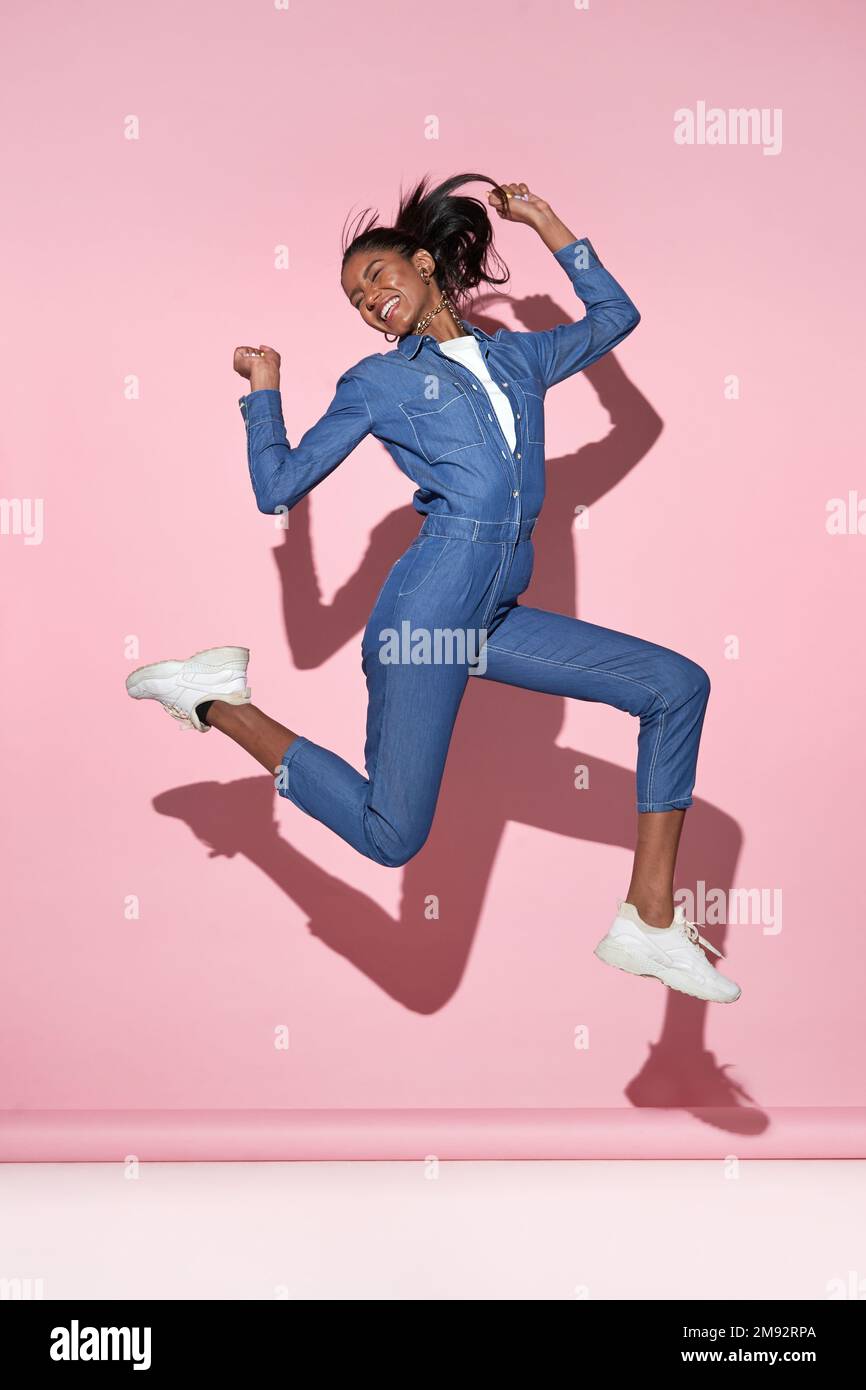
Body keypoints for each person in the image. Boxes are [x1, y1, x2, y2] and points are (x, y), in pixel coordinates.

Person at [126, 172, 741, 1004]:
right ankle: (219, 701)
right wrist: (264, 388)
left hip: (489, 613)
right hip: (426, 613)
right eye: (354, 299)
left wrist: (548, 222)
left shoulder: (519, 356)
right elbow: (278, 486)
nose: (369, 301)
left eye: (378, 278)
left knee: (676, 686)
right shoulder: (378, 384)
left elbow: (615, 319)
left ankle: (649, 918)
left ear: (422, 263)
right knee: (391, 836)